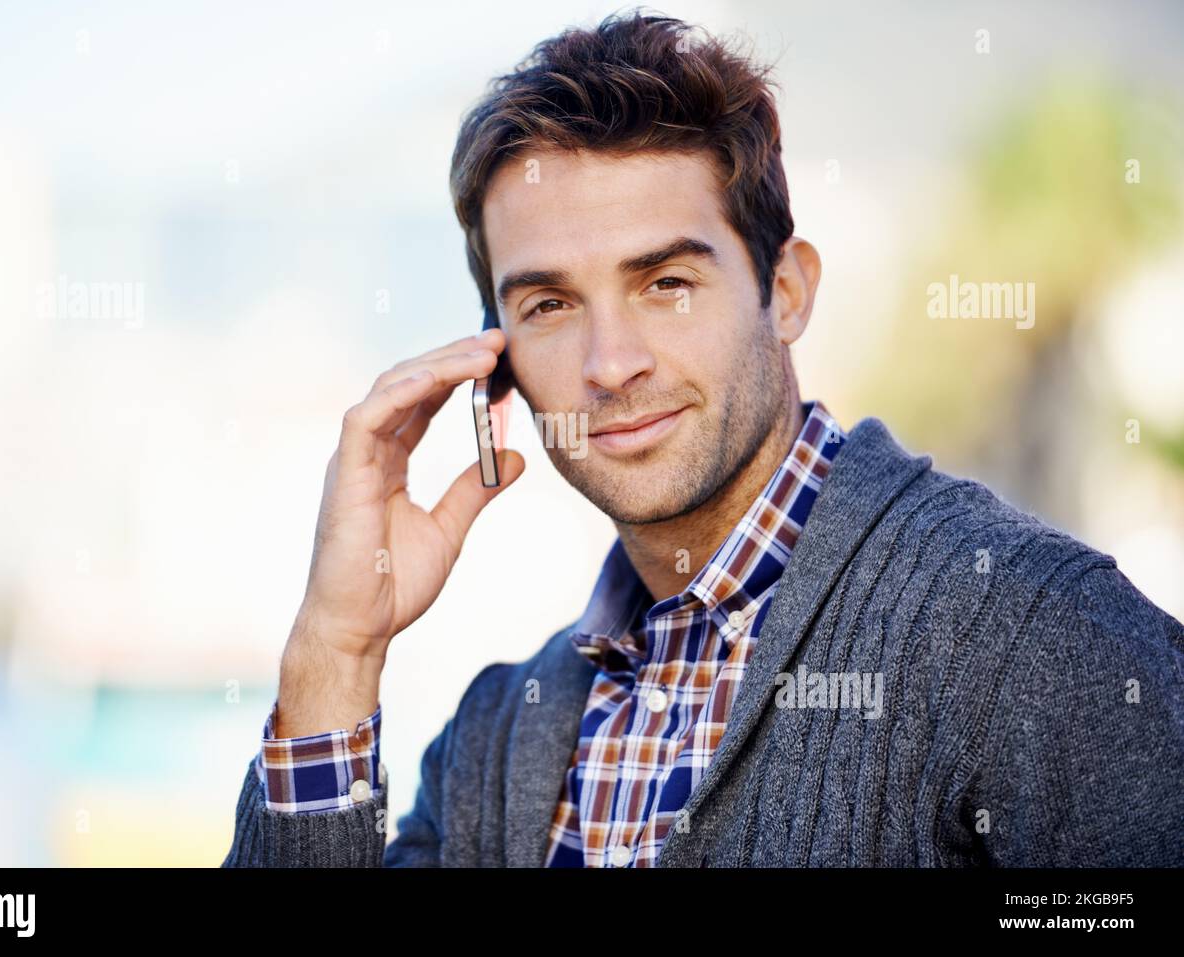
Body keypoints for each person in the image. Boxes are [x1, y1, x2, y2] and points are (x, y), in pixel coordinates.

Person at [223, 11, 1184, 867]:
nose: (611, 362)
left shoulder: (1025, 634)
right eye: (551, 304)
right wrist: (338, 649)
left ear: (788, 291)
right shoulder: (492, 748)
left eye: (666, 283)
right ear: (496, 359)